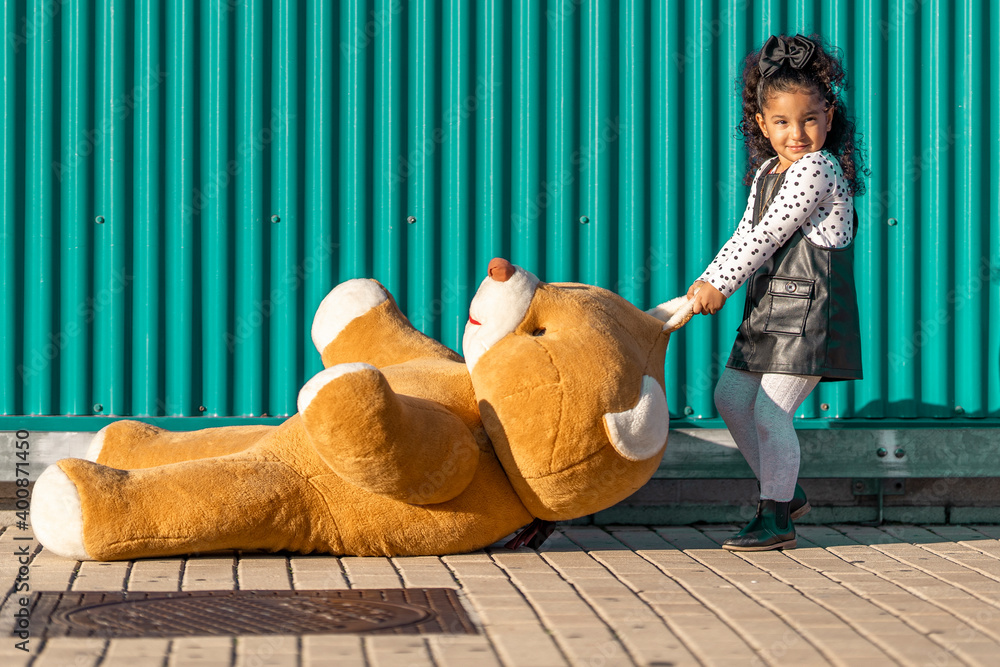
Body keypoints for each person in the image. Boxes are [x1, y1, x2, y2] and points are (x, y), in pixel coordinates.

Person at [687, 34, 866, 552]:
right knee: (730, 399)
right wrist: (705, 281)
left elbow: (768, 236)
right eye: (782, 122)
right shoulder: (769, 171)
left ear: (829, 117)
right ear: (762, 125)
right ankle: (784, 489)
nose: (797, 134)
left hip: (811, 316)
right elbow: (744, 233)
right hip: (771, 309)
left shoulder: (818, 168)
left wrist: (720, 284)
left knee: (770, 413)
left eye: (809, 119)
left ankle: (776, 516)